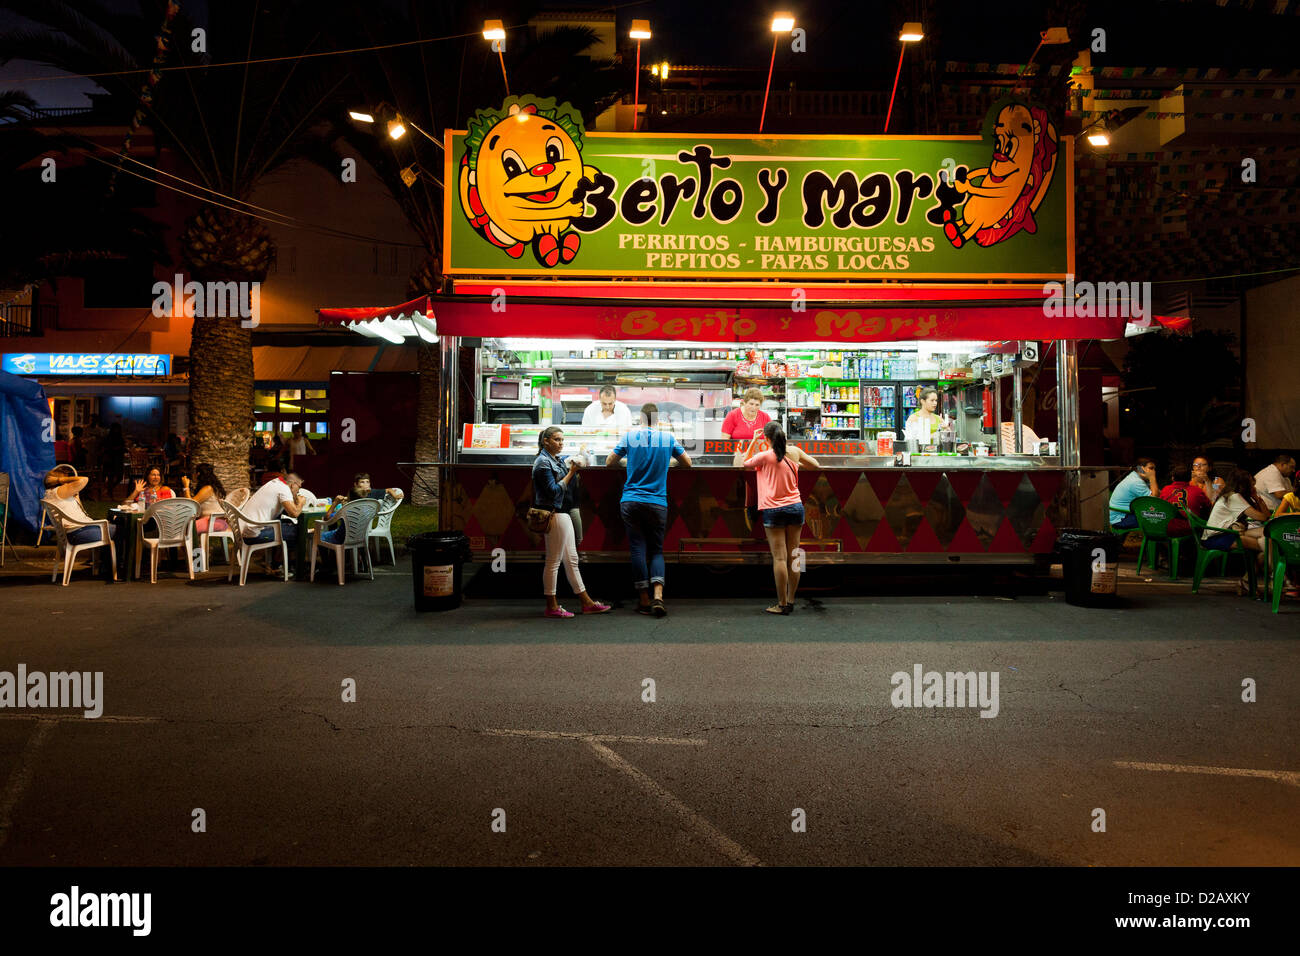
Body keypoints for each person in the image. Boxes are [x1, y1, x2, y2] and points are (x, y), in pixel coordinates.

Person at [606, 404, 692, 617]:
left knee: (637, 549)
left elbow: (609, 462)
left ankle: (643, 600)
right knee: (656, 550)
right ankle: (658, 597)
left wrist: (629, 463)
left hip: (631, 500)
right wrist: (667, 464)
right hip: (657, 502)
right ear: (658, 418)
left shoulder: (630, 436)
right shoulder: (668, 438)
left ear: (640, 418)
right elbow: (687, 463)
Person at [734, 421, 820, 614]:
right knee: (796, 555)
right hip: (796, 507)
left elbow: (741, 464)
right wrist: (797, 464)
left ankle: (781, 605)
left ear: (766, 438)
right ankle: (791, 600)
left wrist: (753, 441)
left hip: (773, 510)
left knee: (780, 558)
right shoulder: (795, 452)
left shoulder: (764, 456)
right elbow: (815, 465)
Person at [531, 427, 610, 618]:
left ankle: (586, 602)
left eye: (562, 440)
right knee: (553, 562)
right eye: (557, 440)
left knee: (572, 560)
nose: (561, 443)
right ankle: (552, 606)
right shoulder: (542, 463)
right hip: (553, 514)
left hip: (561, 513)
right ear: (546, 441)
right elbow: (554, 491)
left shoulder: (554, 459)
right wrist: (572, 472)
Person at [1203, 468, 1269, 595]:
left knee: (1267, 534)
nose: (1254, 487)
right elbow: (1261, 517)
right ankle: (1276, 576)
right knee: (1267, 545)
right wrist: (1254, 496)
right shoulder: (1233, 497)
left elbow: (1266, 516)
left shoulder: (1236, 496)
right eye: (1251, 484)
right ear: (1243, 484)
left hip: (1229, 533)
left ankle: (1247, 581)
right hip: (1217, 537)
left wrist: (1256, 498)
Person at [241, 472, 308, 567]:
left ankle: (277, 563)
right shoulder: (284, 489)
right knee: (299, 530)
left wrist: (294, 499)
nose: (299, 491)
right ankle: (293, 566)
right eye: (299, 487)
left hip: (246, 530)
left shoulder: (274, 483)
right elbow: (294, 513)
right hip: (253, 535)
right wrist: (301, 503)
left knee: (287, 524)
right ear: (293, 485)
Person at [1159, 463, 1213, 536]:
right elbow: (1209, 506)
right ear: (1190, 478)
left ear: (1172, 478)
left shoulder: (1165, 489)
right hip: (1189, 528)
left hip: (1167, 527)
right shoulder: (1197, 490)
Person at [1108, 458, 1158, 529]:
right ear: (1141, 469)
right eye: (1151, 468)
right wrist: (1152, 478)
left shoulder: (1137, 477)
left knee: (1157, 517)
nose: (1153, 471)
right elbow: (1154, 499)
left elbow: (1157, 493)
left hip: (1126, 514)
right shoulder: (1136, 482)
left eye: (1154, 469)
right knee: (1157, 520)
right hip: (1121, 518)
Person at [183, 463, 227, 536]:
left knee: (189, 528)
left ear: (198, 474)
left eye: (194, 473)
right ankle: (194, 546)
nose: (192, 475)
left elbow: (191, 503)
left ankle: (194, 547)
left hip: (215, 521)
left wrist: (186, 486)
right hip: (209, 521)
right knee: (185, 526)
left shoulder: (208, 488)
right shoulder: (207, 487)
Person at [102, 423, 126, 494]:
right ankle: (110, 492)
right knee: (110, 477)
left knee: (119, 476)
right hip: (111, 460)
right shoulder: (108, 438)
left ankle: (109, 490)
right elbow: (107, 448)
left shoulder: (120, 438)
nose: (117, 430)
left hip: (118, 459)